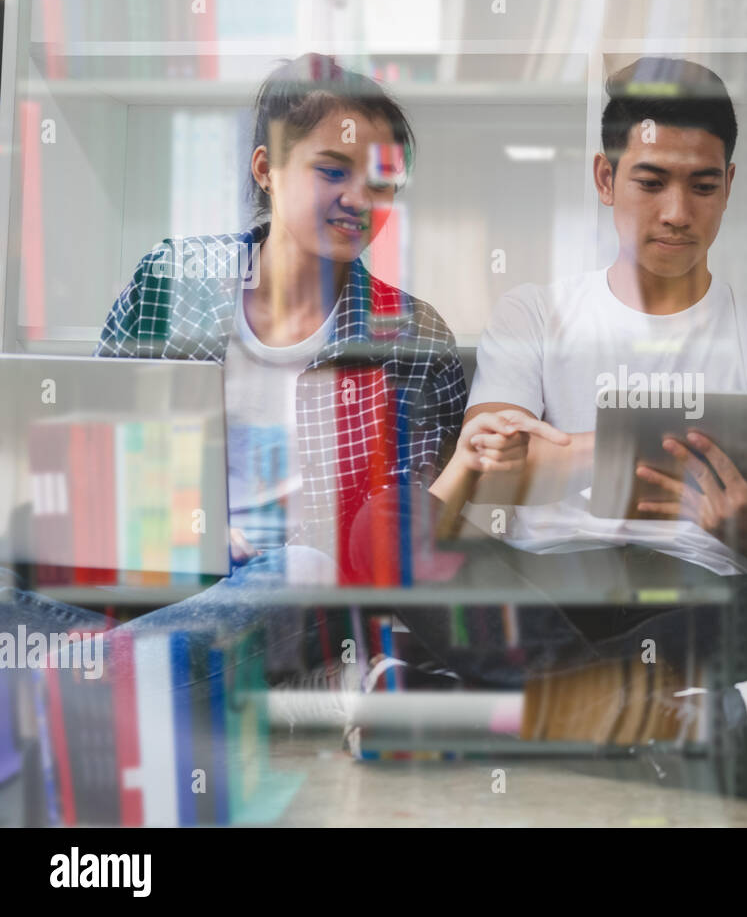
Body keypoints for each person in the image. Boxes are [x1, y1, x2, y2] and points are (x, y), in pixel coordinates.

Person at [5, 53, 467, 688]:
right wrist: (192, 533)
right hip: (153, 579)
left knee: (304, 571)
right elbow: (95, 466)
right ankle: (120, 680)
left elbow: (395, 543)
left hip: (290, 603)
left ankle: (69, 686)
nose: (359, 200)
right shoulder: (172, 284)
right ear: (267, 170)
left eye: (381, 183)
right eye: (333, 170)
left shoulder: (412, 337)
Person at [431, 56, 747, 578]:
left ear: (728, 186)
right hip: (550, 581)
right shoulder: (531, 315)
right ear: (605, 178)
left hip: (697, 586)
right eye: (651, 182)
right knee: (414, 540)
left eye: (703, 187)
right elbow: (492, 474)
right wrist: (666, 445)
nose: (677, 213)